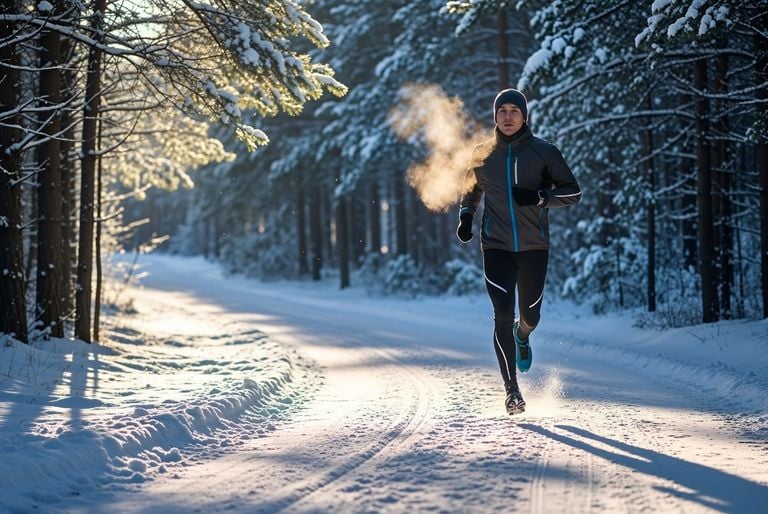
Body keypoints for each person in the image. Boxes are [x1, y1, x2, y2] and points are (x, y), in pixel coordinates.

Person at [457, 88, 581, 415]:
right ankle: (512, 390)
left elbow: (573, 192)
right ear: (495, 116)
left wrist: (540, 197)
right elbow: (470, 192)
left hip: (533, 247)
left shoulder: (544, 152)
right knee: (501, 313)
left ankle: (522, 334)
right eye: (502, 111)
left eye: (515, 110)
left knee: (530, 317)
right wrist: (466, 217)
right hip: (495, 246)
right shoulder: (482, 154)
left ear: (524, 116)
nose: (508, 116)